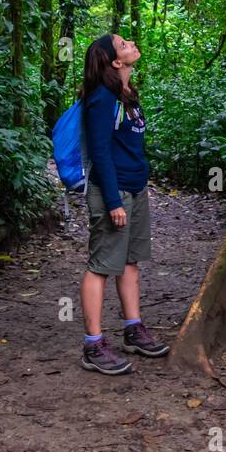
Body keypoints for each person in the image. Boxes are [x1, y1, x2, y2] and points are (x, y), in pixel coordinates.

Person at [76, 32, 169, 374]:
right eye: (122, 44)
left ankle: (133, 328)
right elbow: (99, 151)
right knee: (102, 264)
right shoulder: (101, 97)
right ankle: (93, 345)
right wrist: (114, 201)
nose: (130, 42)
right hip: (113, 192)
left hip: (135, 188)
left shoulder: (126, 94)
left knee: (130, 261)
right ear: (115, 62)